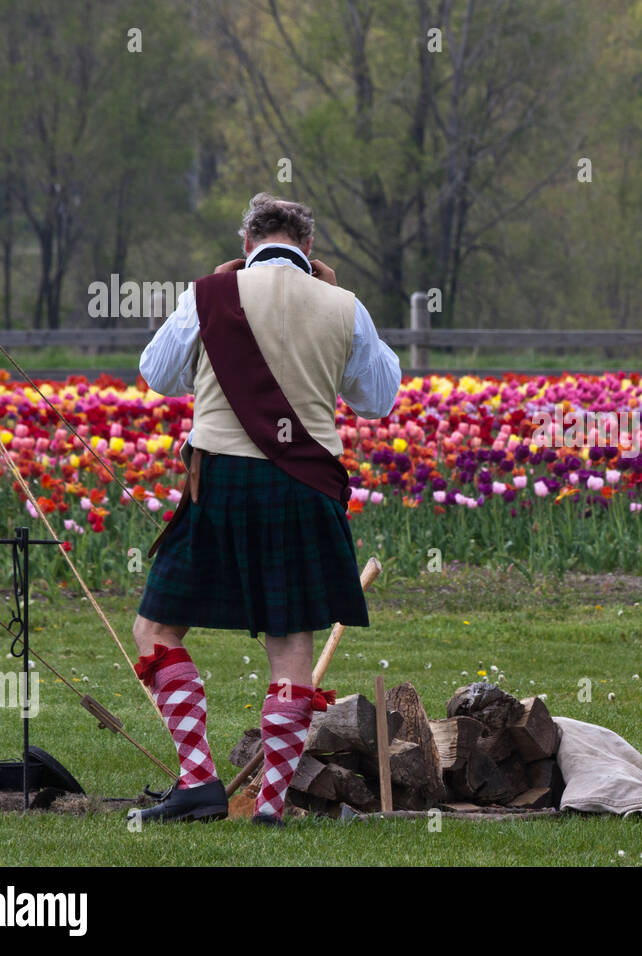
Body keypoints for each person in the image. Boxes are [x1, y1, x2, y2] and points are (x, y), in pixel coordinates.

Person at [127, 193, 401, 827]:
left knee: (156, 631)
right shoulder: (343, 305)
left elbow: (157, 374)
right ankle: (271, 806)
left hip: (217, 481)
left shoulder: (211, 294)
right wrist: (341, 298)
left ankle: (198, 782)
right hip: (304, 488)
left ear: (246, 241)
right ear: (309, 249)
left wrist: (213, 294)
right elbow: (378, 399)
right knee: (291, 645)